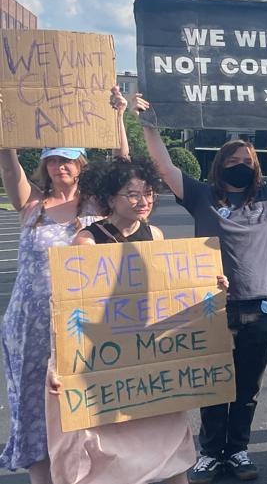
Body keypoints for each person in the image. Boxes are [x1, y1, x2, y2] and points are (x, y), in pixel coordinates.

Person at [135, 94, 267, 483]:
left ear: (256, 168)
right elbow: (164, 167)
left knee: (248, 386)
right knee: (214, 382)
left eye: (246, 163)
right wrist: (149, 123)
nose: (239, 168)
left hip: (260, 305)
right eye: (232, 163)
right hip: (212, 305)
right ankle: (211, 452)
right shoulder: (201, 196)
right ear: (219, 167)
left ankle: (238, 450)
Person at [46, 158, 226, 484]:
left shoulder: (154, 235)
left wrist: (208, 286)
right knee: (103, 457)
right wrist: (60, 365)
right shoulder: (87, 242)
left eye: (147, 193)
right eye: (132, 194)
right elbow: (70, 306)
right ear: (110, 198)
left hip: (149, 361)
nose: (143, 201)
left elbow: (168, 292)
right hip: (104, 364)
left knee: (171, 447)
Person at [0, 87, 127, 484]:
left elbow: (125, 167)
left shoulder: (97, 206)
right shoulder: (32, 205)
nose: (59, 166)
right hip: (29, 323)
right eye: (52, 159)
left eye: (67, 159)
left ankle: (82, 473)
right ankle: (43, 477)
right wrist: (6, 126)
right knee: (32, 401)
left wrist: (118, 117)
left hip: (80, 320)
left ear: (81, 163)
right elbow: (8, 166)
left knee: (79, 403)